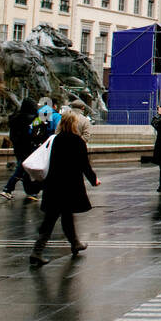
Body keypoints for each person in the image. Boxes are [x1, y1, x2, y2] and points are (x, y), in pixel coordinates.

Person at [29, 111, 99, 266]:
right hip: (69, 185)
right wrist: (94, 180)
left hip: (53, 184)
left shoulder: (55, 140)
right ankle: (36, 252)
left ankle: (75, 243)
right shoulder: (77, 141)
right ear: (74, 124)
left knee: (63, 215)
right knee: (53, 218)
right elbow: (84, 165)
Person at [1, 99, 40, 201]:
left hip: (18, 148)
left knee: (24, 168)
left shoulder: (15, 118)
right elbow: (35, 133)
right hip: (28, 147)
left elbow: (12, 135)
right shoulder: (33, 118)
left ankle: (30, 191)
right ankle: (8, 188)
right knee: (22, 169)